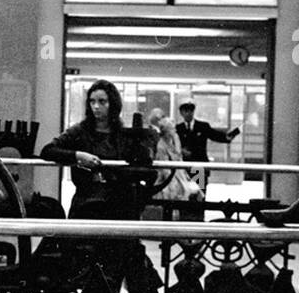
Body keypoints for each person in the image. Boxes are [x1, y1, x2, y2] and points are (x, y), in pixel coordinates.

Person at [39, 80, 150, 221]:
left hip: (119, 204)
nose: (96, 106)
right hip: (86, 202)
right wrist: (78, 156)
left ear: (113, 104)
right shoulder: (79, 131)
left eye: (102, 102)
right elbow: (48, 151)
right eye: (92, 102)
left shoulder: (124, 134)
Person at [176, 101, 240, 165]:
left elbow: (215, 135)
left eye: (191, 110)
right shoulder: (178, 129)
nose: (189, 113)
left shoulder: (203, 126)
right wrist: (181, 150)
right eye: (186, 111)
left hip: (200, 164)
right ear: (181, 113)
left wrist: (231, 135)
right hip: (184, 165)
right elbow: (172, 145)